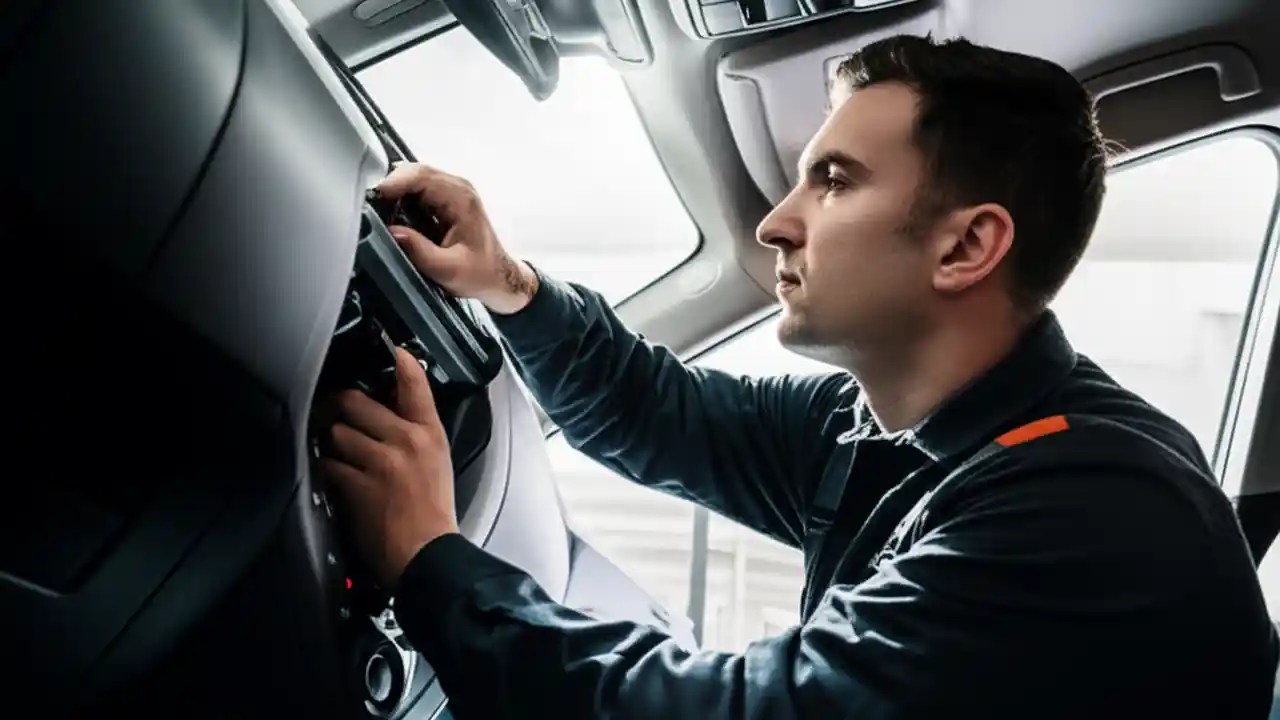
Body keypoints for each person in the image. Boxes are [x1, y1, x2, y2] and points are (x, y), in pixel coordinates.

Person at [317, 34, 1279, 718]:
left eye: (834, 181)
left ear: (967, 246)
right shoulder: (892, 422)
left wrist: (431, 560)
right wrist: (509, 284)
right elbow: (659, 413)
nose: (777, 222)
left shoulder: (1096, 510)